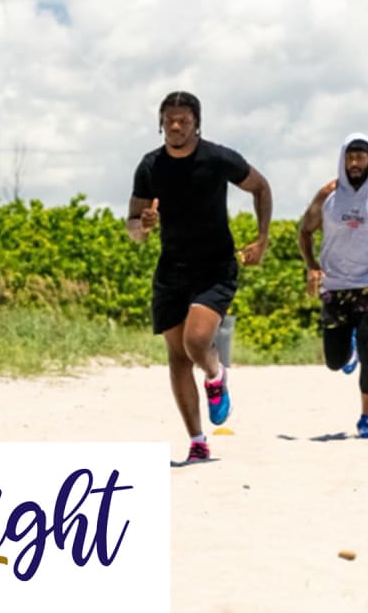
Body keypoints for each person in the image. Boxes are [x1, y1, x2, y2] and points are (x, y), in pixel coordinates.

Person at [126, 91, 272, 463]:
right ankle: (197, 441)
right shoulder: (149, 167)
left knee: (196, 342)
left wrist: (262, 237)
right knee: (177, 360)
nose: (176, 126)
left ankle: (215, 373)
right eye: (170, 119)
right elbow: (133, 228)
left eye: (184, 120)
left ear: (197, 123)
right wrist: (142, 226)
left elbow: (260, 187)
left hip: (215, 267)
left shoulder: (218, 158)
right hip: (171, 270)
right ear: (161, 123)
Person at [298, 133, 368, 440]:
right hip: (334, 285)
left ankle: (366, 418)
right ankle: (347, 351)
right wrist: (312, 266)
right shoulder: (328, 195)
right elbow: (304, 232)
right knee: (334, 362)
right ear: (342, 159)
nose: (355, 163)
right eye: (350, 157)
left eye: (361, 157)